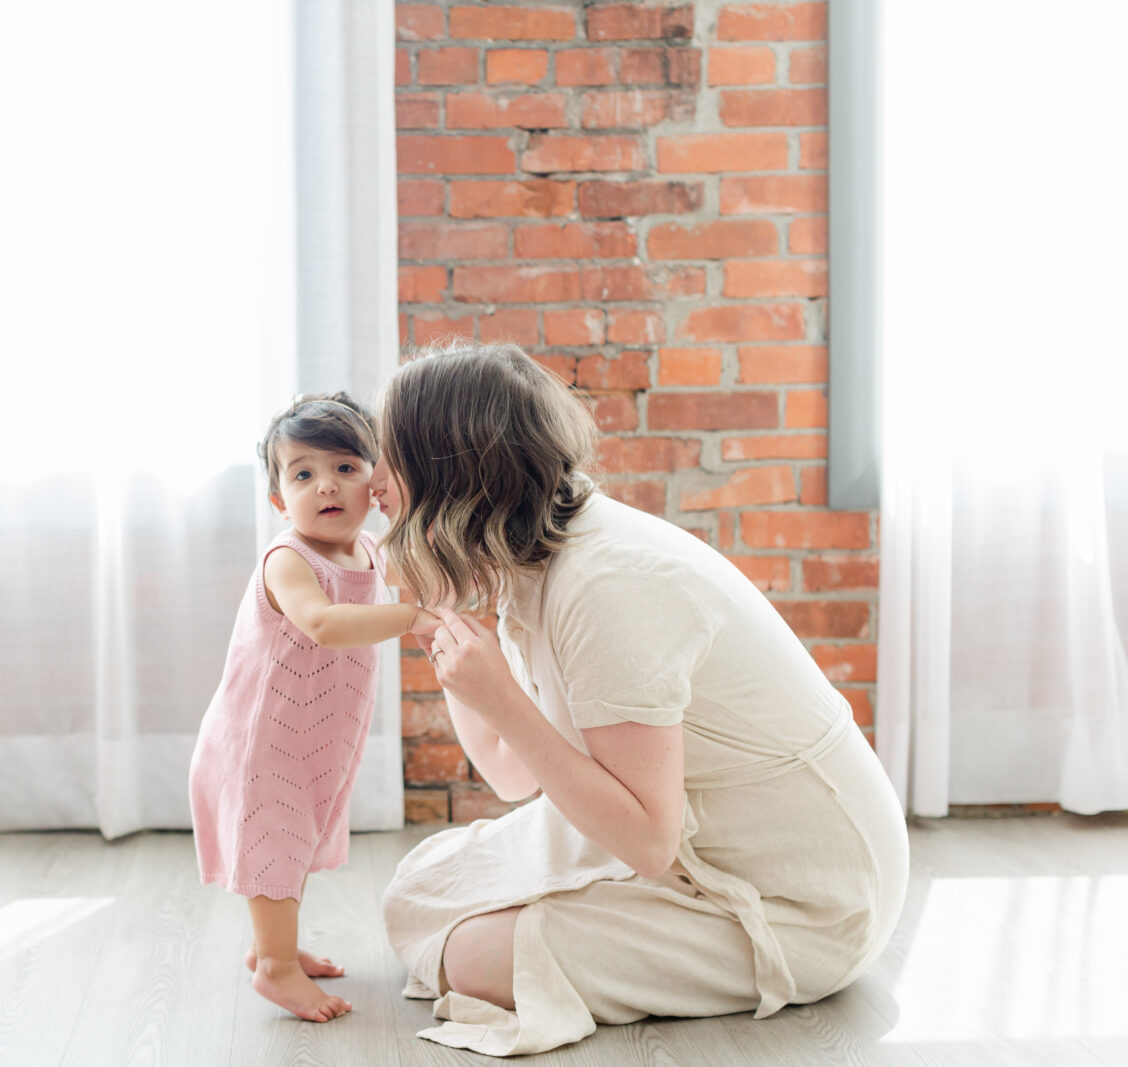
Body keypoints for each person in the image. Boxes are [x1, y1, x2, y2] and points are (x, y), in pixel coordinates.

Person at [370, 342, 910, 1057]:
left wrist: (502, 697)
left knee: (471, 955)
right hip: (693, 838)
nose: (374, 480)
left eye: (391, 455)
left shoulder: (607, 585)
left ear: (452, 469)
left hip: (804, 900)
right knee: (420, 886)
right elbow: (512, 774)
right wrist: (442, 616)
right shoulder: (526, 553)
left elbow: (649, 841)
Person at [189, 392, 440, 1023]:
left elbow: (414, 560)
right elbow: (325, 624)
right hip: (261, 738)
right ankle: (274, 967)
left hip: (316, 734)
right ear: (279, 498)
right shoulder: (288, 561)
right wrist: (413, 619)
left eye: (346, 469)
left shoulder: (372, 551)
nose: (325, 485)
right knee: (275, 842)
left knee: (294, 842)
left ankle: (275, 945)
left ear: (375, 484)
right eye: (303, 474)